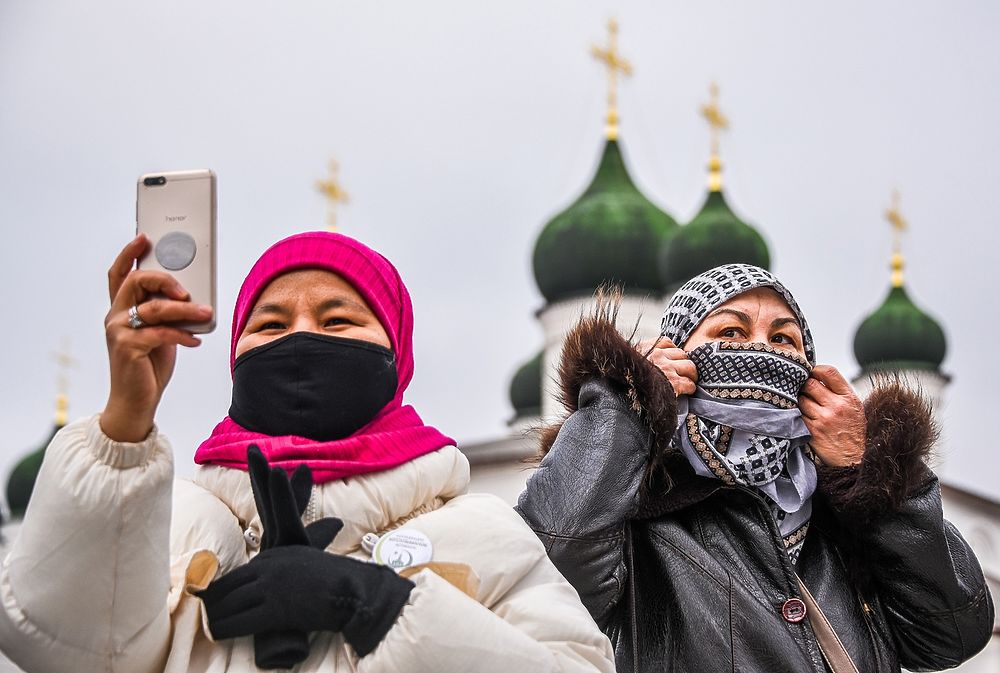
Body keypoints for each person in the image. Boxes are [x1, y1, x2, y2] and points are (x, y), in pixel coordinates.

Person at [0, 231, 615, 673]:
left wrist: (380, 606)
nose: (299, 337)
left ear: (395, 356)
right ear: (234, 361)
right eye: (268, 325)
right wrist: (124, 430)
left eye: (337, 320)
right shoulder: (172, 520)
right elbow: (64, 644)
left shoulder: (479, 531)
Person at [517, 264, 994, 672]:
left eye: (783, 338)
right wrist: (626, 405)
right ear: (674, 356)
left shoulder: (842, 514)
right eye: (731, 332)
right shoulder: (637, 503)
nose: (760, 350)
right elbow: (553, 568)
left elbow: (951, 632)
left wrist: (866, 472)